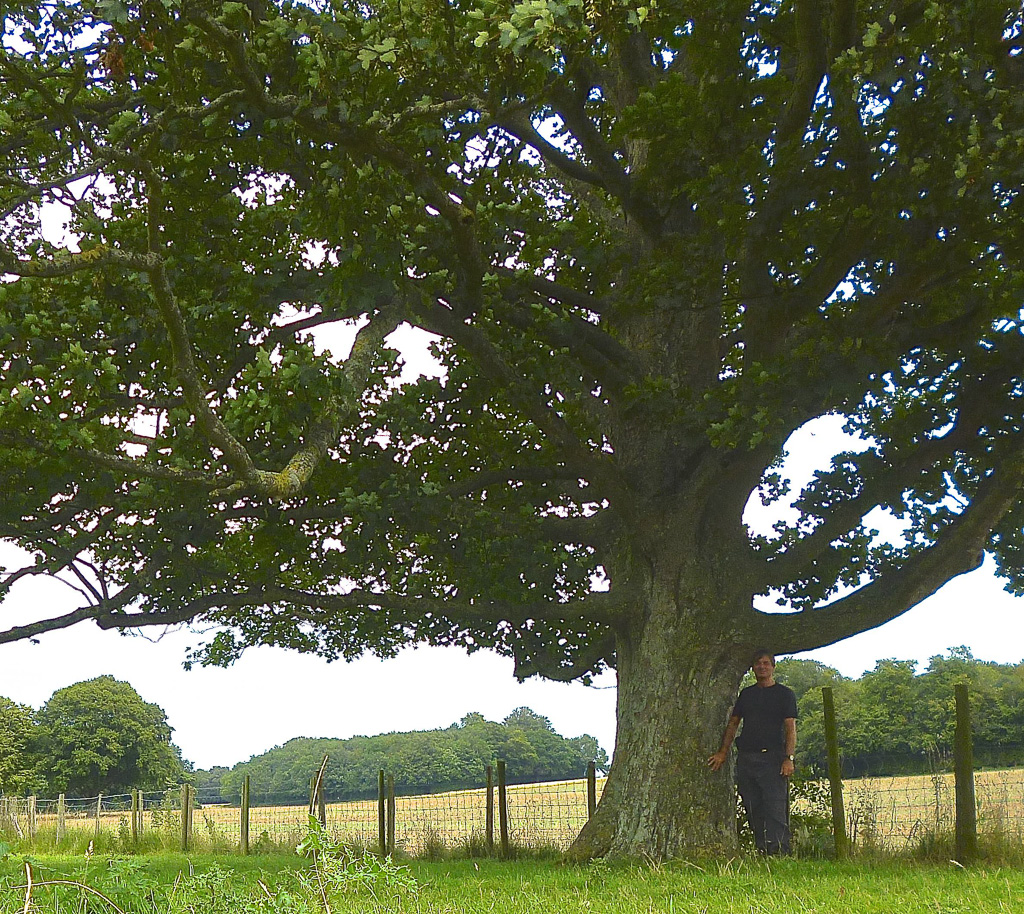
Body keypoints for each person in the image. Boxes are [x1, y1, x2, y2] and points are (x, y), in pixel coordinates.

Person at [708, 649, 798, 855]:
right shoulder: (747, 695)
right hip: (747, 758)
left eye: (766, 663)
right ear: (752, 668)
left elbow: (790, 728)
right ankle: (762, 851)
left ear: (773, 667)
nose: (762, 667)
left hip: (773, 759)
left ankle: (780, 854)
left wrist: (788, 758)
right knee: (753, 807)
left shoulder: (784, 694)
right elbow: (733, 724)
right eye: (758, 663)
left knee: (775, 809)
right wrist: (723, 752)